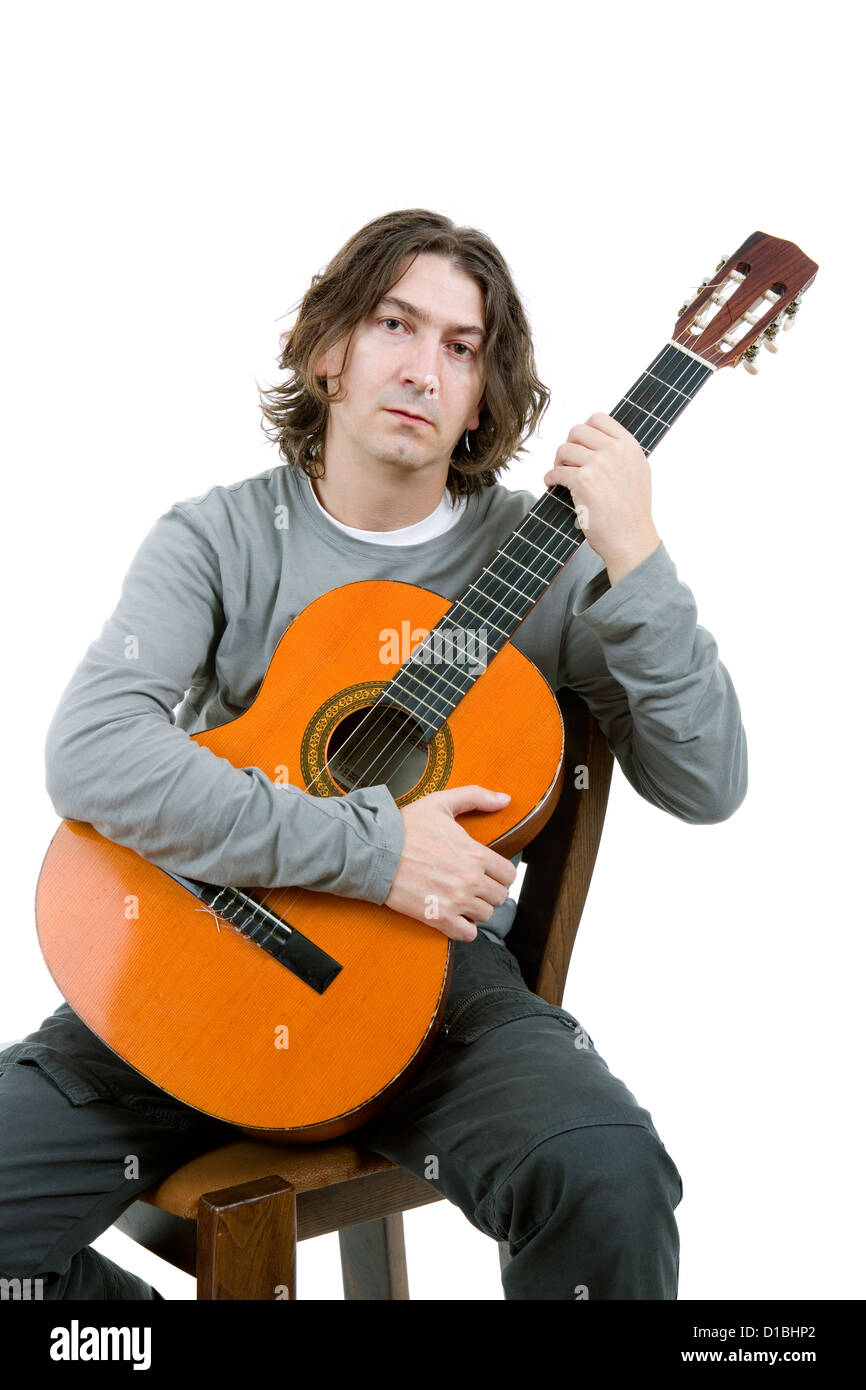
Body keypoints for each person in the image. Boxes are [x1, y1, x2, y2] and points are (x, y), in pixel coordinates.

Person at [0, 208, 746, 1301]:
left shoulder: (541, 564)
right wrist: (369, 848)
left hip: (435, 994)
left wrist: (634, 555)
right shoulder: (217, 538)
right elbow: (94, 753)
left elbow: (707, 782)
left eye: (461, 345)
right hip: (195, 946)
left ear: (487, 394)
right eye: (395, 323)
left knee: (605, 1176)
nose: (423, 367)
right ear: (328, 352)